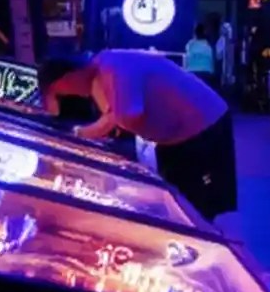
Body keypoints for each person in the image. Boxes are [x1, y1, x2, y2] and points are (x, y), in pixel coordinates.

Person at [37, 51, 236, 220]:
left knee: (203, 204)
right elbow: (114, 116)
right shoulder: (102, 70)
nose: (69, 95)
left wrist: (85, 132)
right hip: (175, 139)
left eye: (60, 91)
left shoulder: (114, 68)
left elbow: (129, 115)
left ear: (67, 78)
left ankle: (217, 248)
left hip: (205, 127)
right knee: (175, 196)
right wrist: (89, 130)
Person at [184, 23, 217, 90]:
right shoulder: (209, 46)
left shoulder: (190, 45)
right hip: (206, 73)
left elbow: (186, 59)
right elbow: (212, 61)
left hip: (192, 73)